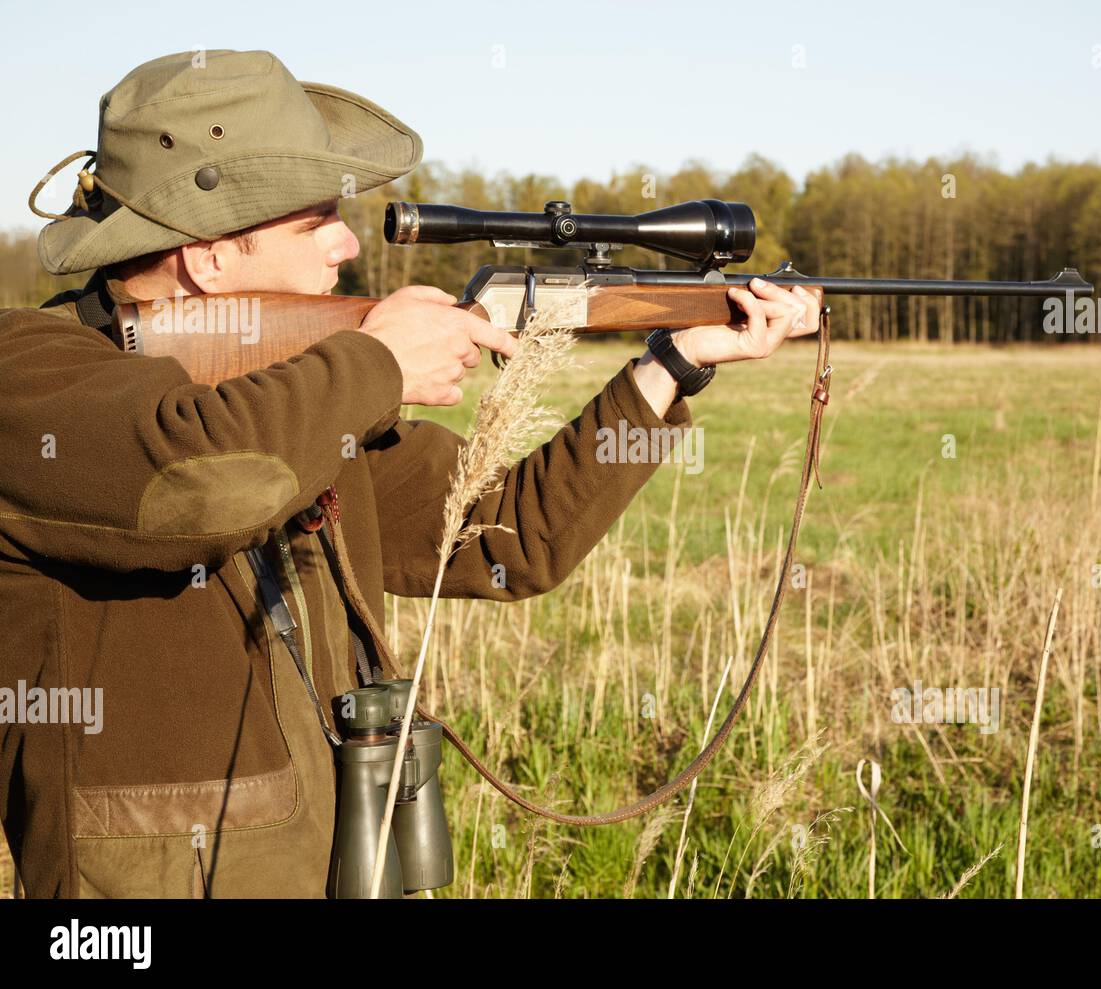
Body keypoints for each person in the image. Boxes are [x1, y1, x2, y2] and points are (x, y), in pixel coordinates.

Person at [0, 49, 820, 897]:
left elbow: (511, 537)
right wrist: (379, 363)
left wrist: (670, 365)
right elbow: (198, 484)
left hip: (341, 866)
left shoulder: (307, 403)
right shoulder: (30, 373)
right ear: (210, 258)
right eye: (314, 219)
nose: (348, 242)